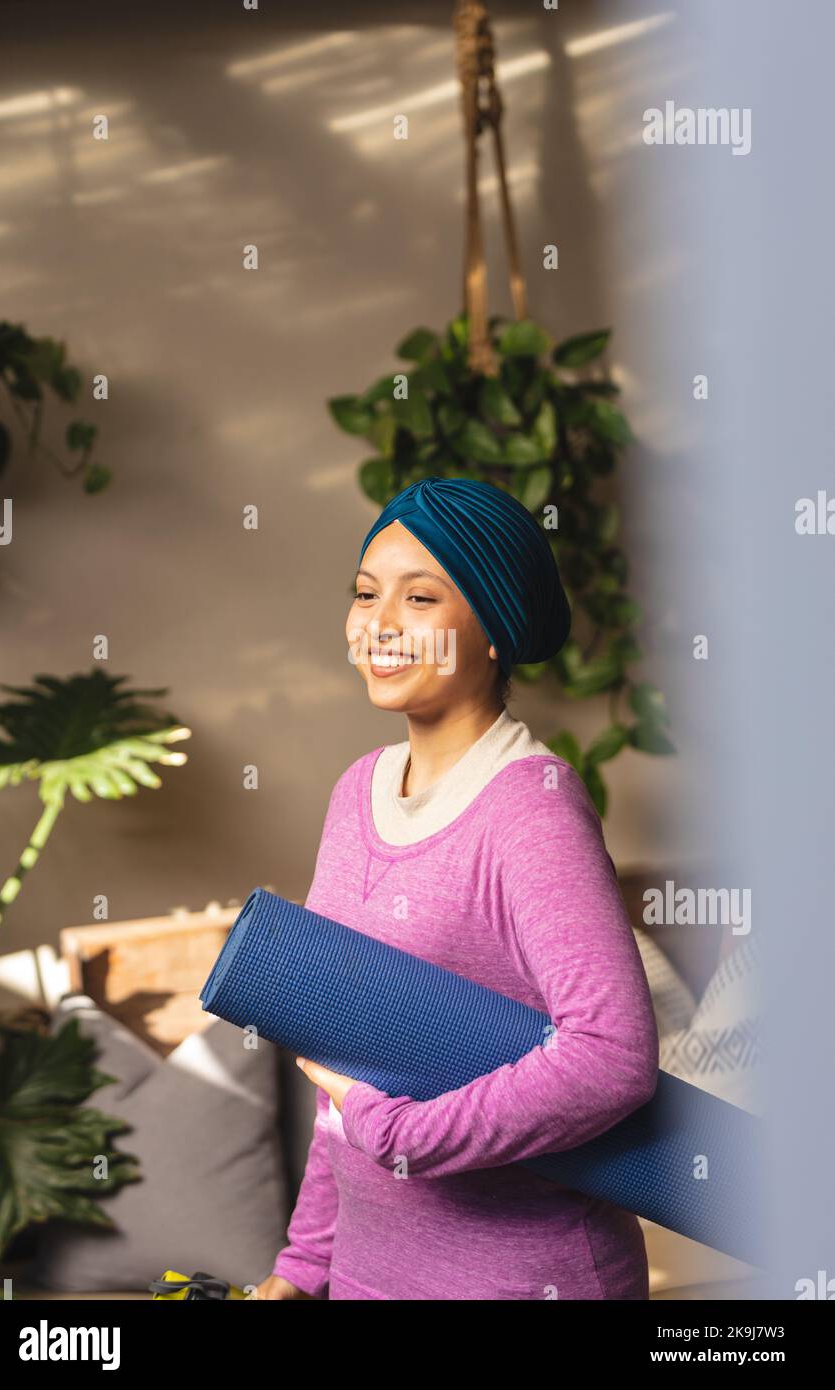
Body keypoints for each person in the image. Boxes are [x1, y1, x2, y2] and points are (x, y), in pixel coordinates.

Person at [253, 476, 659, 1301]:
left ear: (496, 629)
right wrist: (301, 1271)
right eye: (366, 594)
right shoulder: (353, 792)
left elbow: (612, 1058)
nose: (380, 625)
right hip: (368, 1279)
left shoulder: (531, 809)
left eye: (422, 597)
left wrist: (404, 1134)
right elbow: (345, 1066)